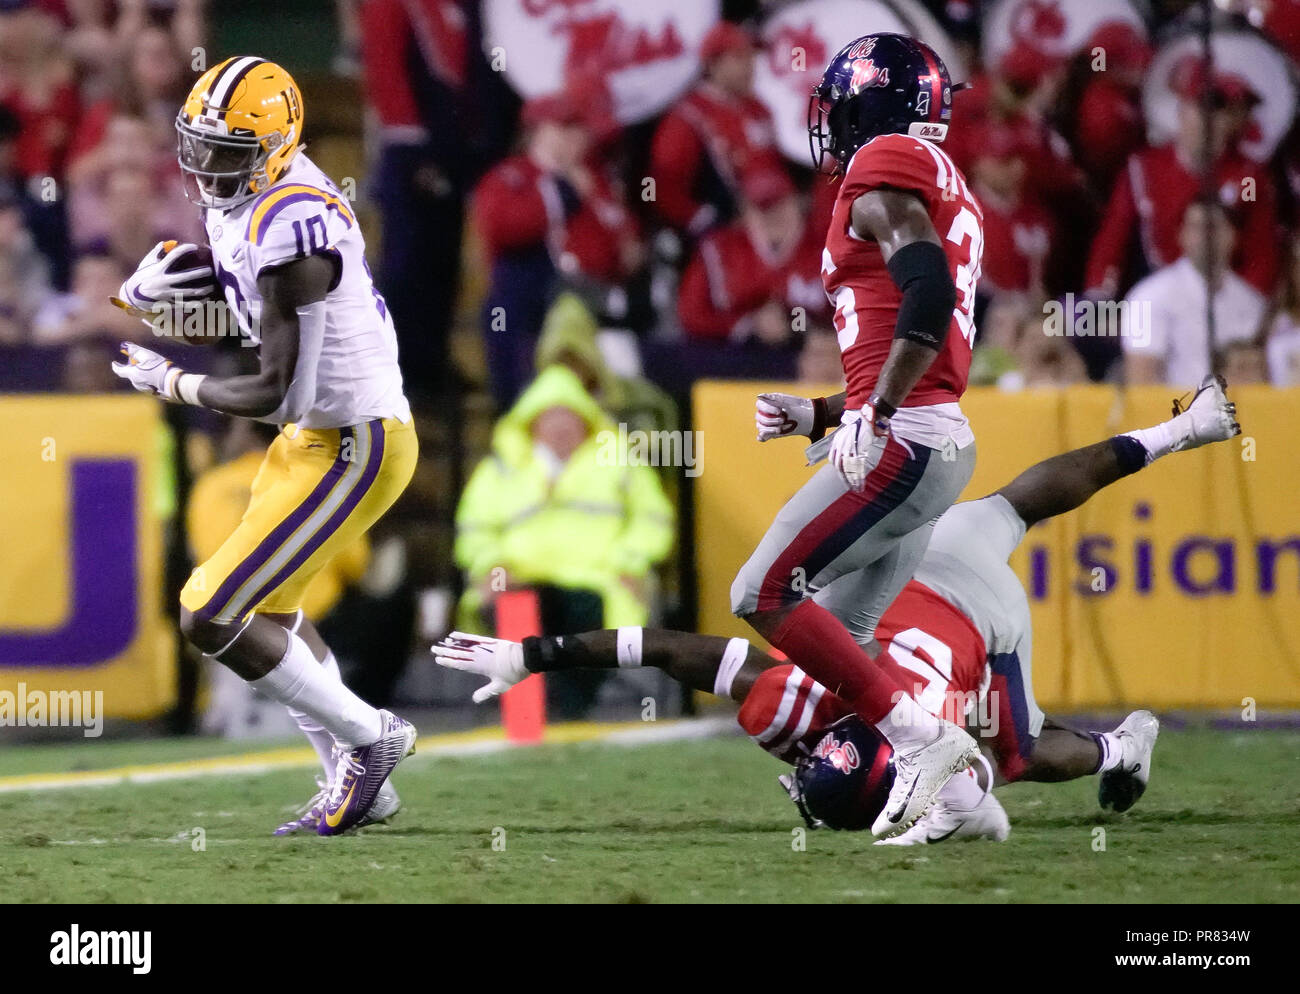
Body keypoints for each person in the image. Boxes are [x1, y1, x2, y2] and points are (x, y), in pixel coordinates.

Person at [435, 375, 1241, 840]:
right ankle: (1186, 431)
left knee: (1018, 750)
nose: (795, 776)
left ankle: (1117, 749)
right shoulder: (797, 708)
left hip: (961, 611)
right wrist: (530, 656)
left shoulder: (840, 724)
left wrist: (527, 656)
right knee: (1017, 518)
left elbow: (666, 647)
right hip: (949, 589)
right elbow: (662, 644)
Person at [110, 57, 418, 836]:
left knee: (208, 613)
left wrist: (172, 382)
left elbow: (280, 388)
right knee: (270, 614)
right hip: (316, 437)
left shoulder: (296, 224)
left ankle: (371, 738)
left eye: (226, 150)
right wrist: (164, 302)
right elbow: (245, 300)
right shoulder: (247, 201)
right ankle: (359, 785)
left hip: (356, 443)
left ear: (276, 146)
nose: (206, 165)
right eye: (198, 144)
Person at [734, 34, 983, 839]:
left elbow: (928, 293)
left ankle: (922, 742)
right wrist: (829, 412)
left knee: (761, 593)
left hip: (904, 440)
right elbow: (910, 329)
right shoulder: (943, 179)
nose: (833, 126)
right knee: (840, 642)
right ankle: (965, 804)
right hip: (931, 437)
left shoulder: (883, 166)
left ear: (872, 106)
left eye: (842, 107)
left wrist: (872, 413)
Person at [648, 21, 783, 238]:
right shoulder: (687, 118)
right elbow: (662, 188)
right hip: (729, 236)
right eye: (739, 57)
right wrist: (711, 224)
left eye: (752, 56)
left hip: (774, 227)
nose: (750, 65)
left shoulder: (758, 109)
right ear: (713, 64)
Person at [1123, 200, 1266, 386]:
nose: (1206, 236)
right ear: (1181, 235)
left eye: (1214, 227)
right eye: (1197, 227)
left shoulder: (1252, 302)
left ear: (1233, 236)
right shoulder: (1147, 297)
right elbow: (1140, 380)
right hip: (1174, 410)